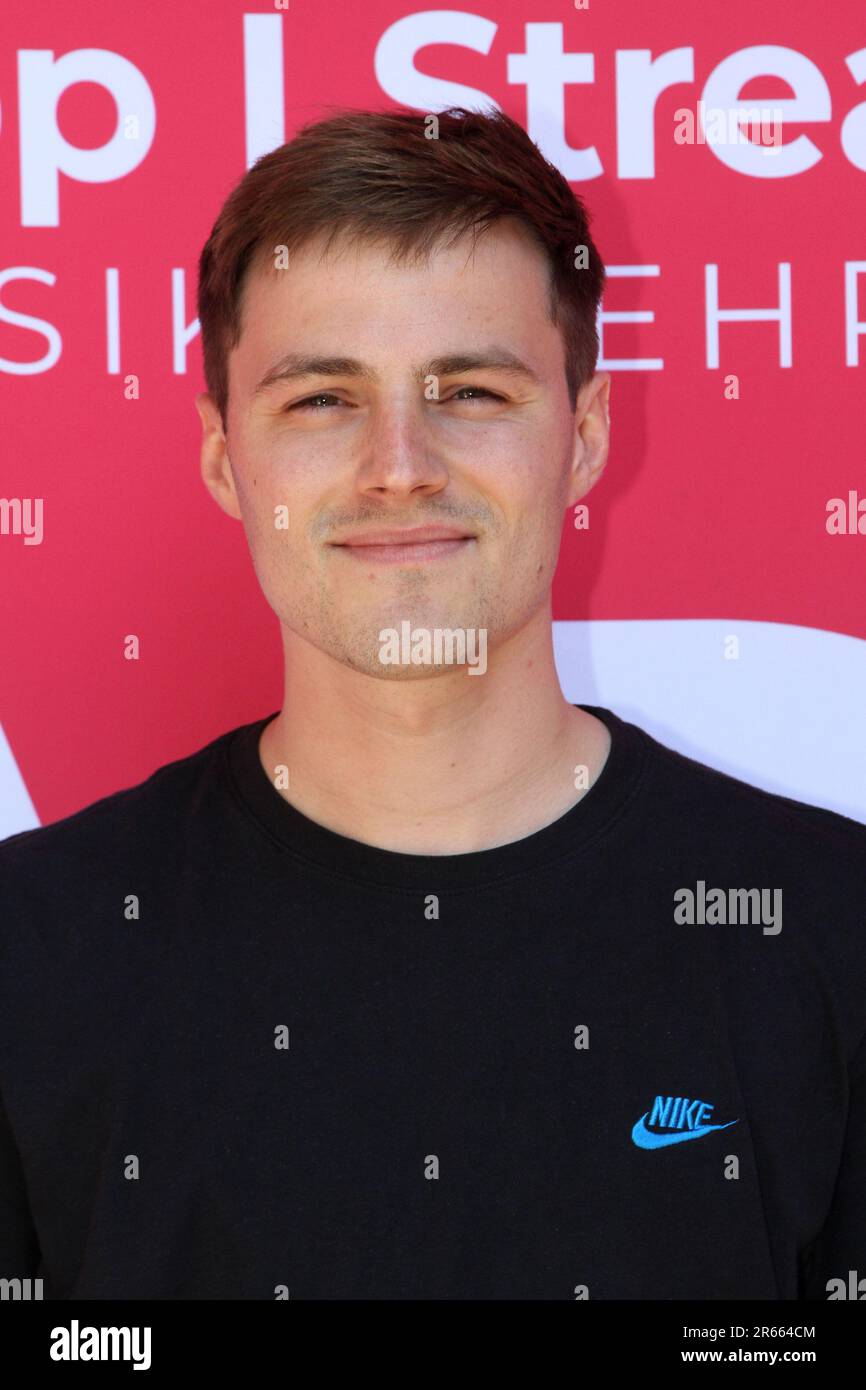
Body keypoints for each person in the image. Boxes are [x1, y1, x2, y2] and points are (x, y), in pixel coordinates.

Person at [0, 106, 863, 1301]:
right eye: (320, 400)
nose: (398, 463)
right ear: (220, 458)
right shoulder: (32, 949)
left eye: (468, 390)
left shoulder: (828, 934)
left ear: (585, 435)